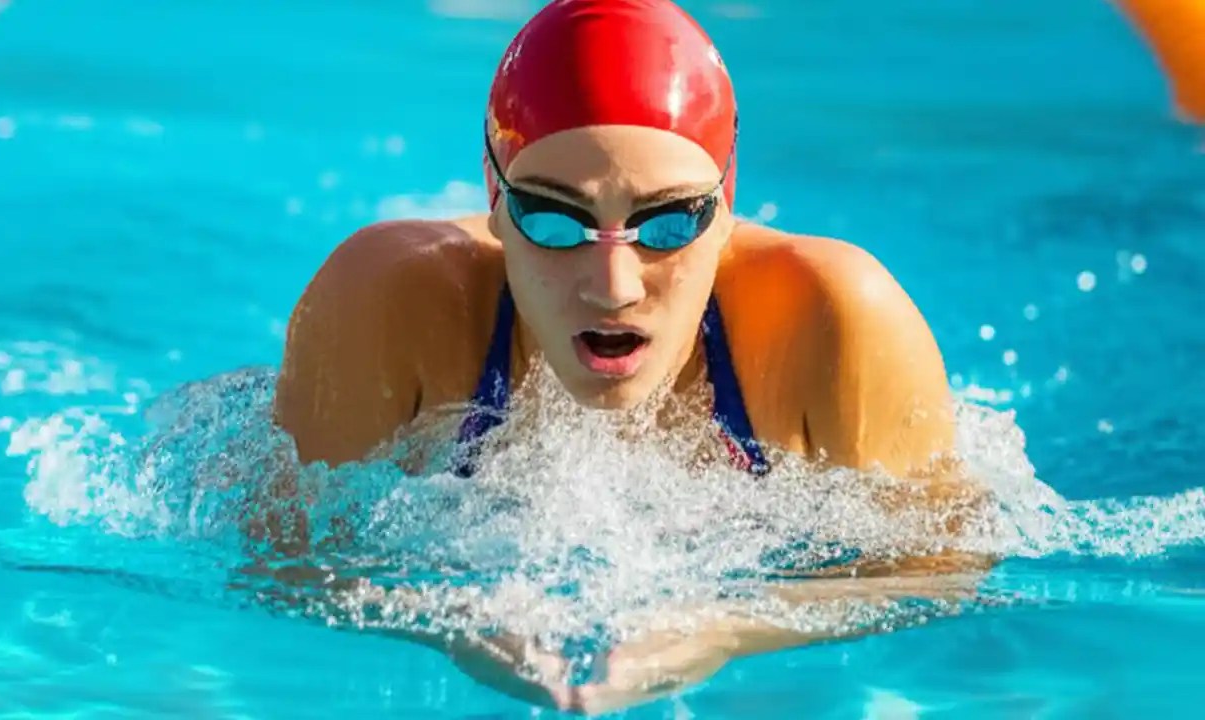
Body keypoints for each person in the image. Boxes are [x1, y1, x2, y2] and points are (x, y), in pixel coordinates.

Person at [269, 0, 992, 712]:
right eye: (553, 220)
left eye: (670, 221)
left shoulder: (834, 320)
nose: (612, 288)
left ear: (726, 202)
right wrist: (448, 619)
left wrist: (716, 633)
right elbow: (276, 553)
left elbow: (942, 567)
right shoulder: (385, 303)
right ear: (494, 194)